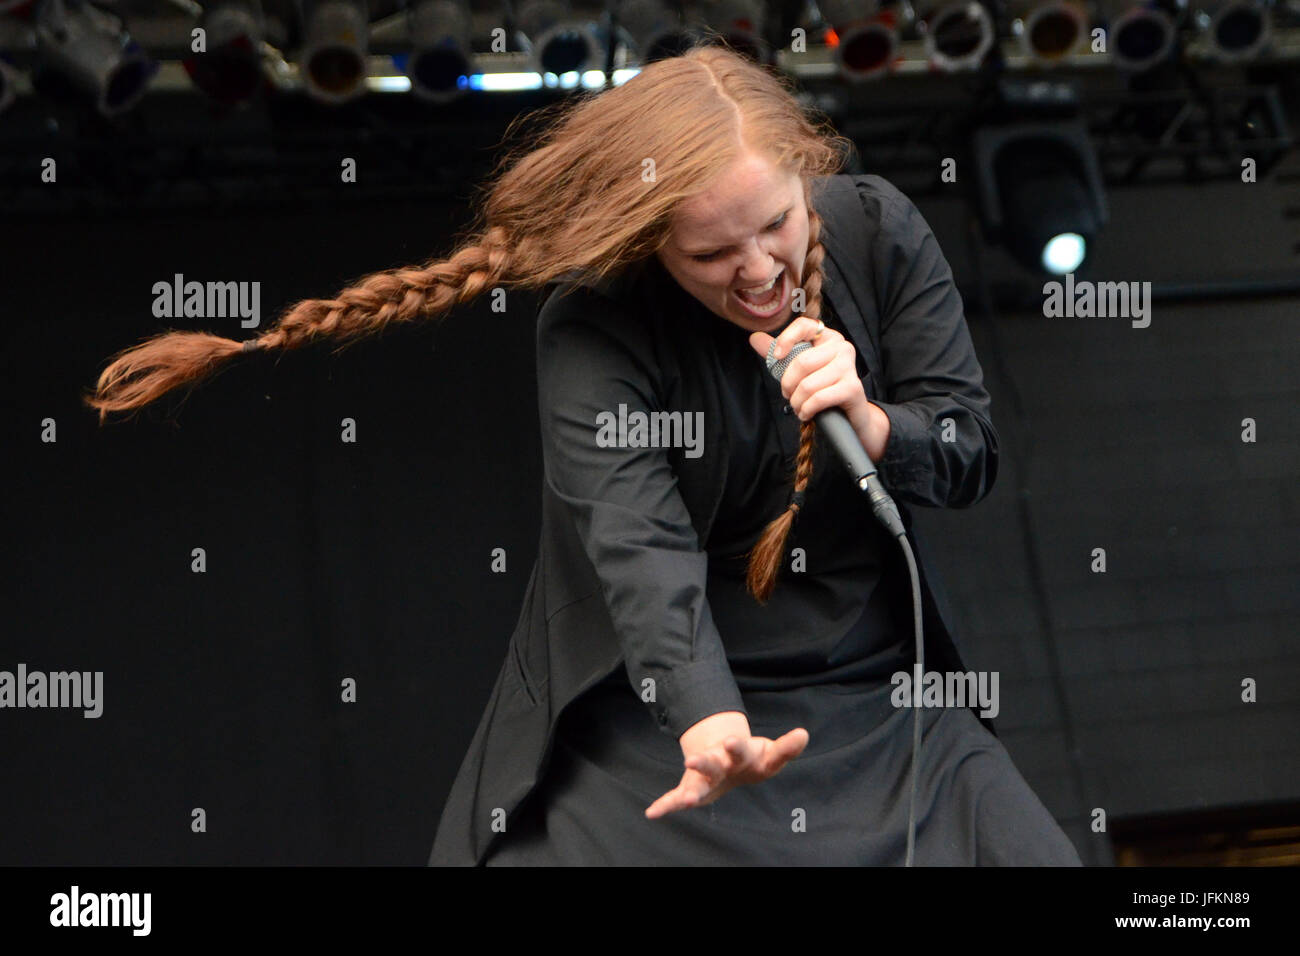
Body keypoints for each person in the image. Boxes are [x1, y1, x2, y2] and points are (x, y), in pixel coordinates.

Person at [84, 42, 1082, 866]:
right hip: (666, 707)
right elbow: (638, 548)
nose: (758, 268)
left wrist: (871, 422)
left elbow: (966, 447)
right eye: (709, 255)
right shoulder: (594, 330)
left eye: (776, 223)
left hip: (879, 693)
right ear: (651, 242)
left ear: (806, 173)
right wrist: (703, 719)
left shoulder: (877, 231)